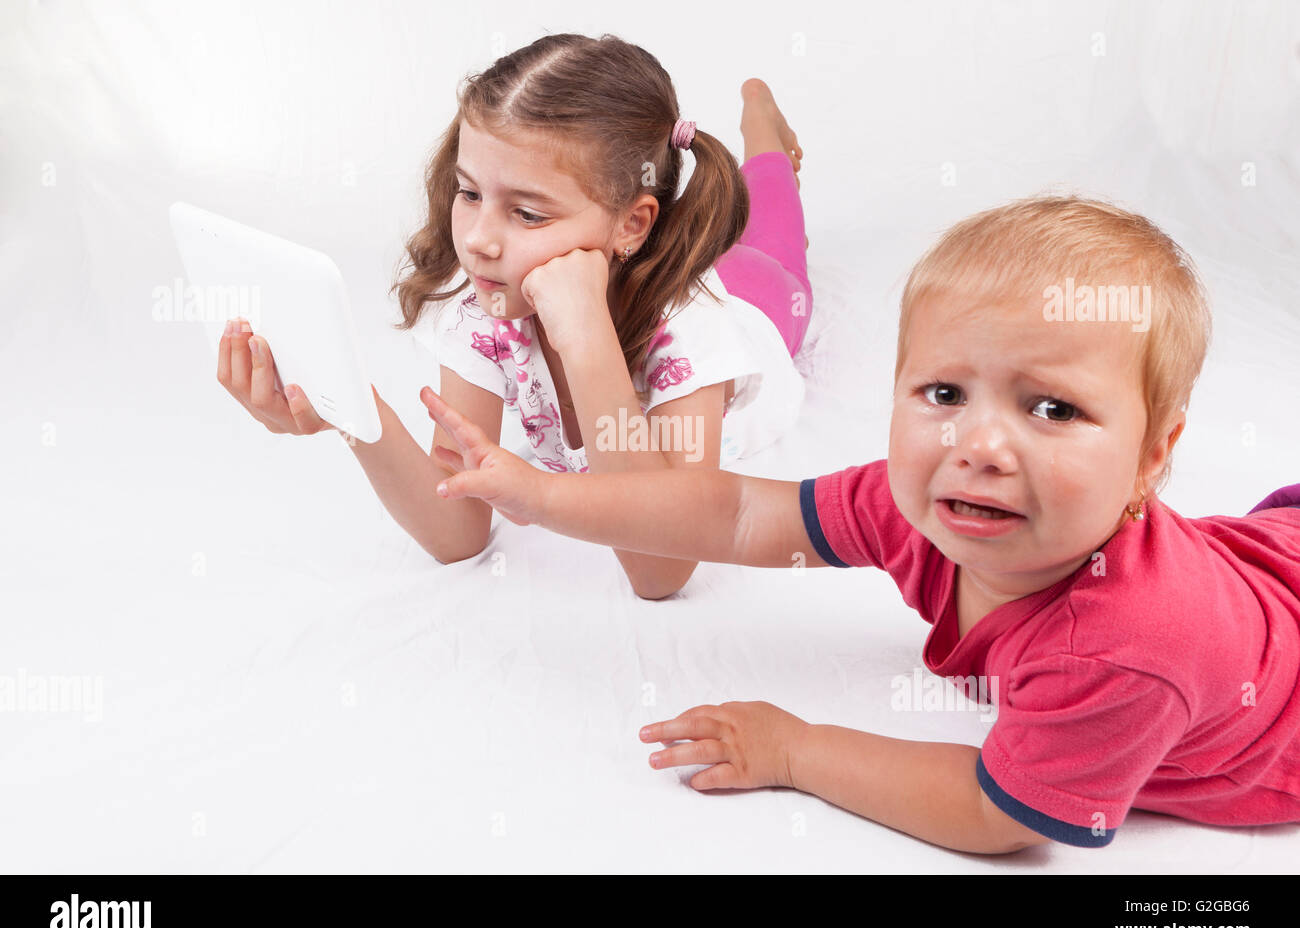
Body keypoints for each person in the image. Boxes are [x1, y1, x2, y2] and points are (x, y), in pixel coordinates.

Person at [422, 196, 1300, 853]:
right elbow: (735, 511)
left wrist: (796, 749)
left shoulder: (1124, 646)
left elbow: (997, 813)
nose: (980, 443)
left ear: (1153, 458)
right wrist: (541, 494)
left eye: (1054, 409)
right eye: (945, 394)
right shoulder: (930, 498)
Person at [217, 33, 813, 600]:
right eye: (470, 193)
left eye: (527, 214)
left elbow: (661, 569)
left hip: (757, 301)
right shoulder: (487, 299)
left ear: (632, 224)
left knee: (773, 230)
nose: (478, 240)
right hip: (642, 260)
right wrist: (352, 412)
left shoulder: (695, 327)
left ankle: (759, 122)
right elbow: (459, 531)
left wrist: (586, 338)